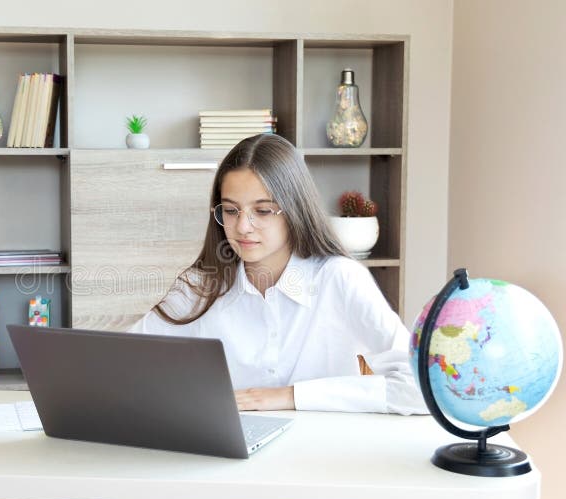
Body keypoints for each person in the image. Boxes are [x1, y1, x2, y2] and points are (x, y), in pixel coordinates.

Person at [129, 134, 426, 415]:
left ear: (294, 209)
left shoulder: (340, 279)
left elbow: (421, 389)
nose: (242, 227)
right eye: (231, 211)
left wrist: (292, 396)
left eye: (263, 211)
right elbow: (124, 363)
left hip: (324, 455)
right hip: (232, 454)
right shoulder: (201, 286)